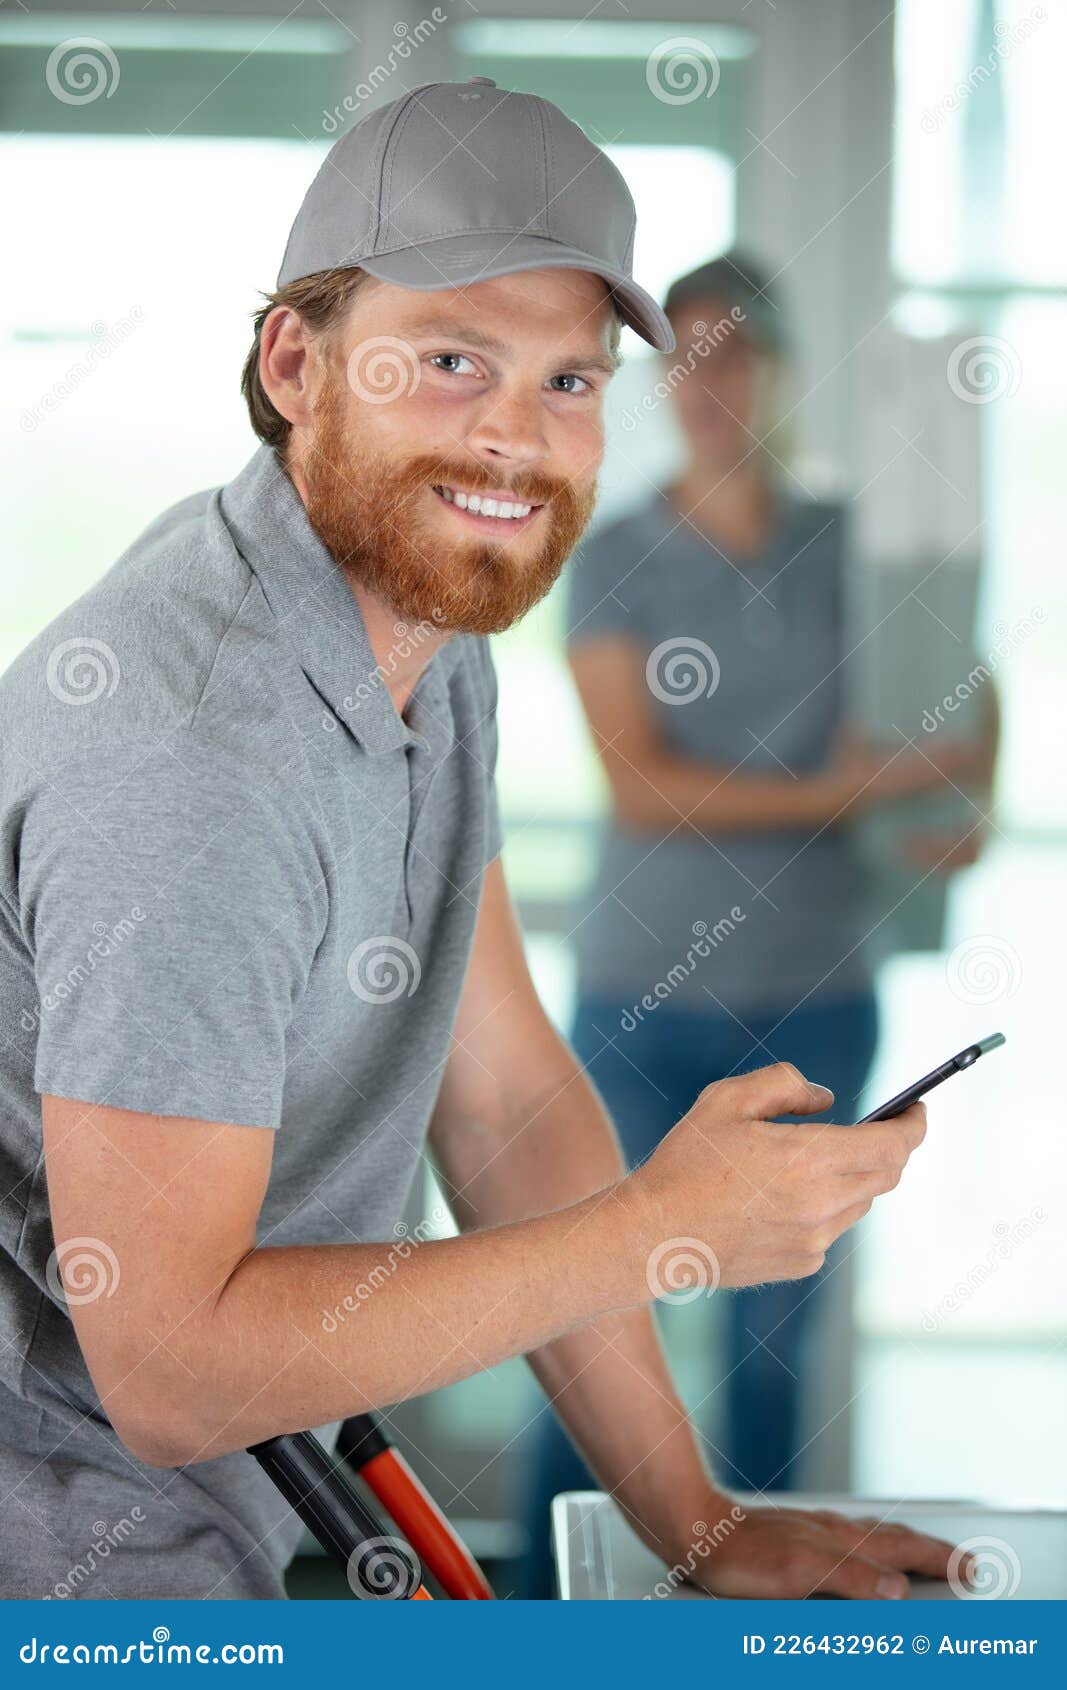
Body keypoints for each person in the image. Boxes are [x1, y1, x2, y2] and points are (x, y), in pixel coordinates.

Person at [0, 89, 975, 1602]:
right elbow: (173, 1369)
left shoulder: (424, 631)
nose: (516, 436)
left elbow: (508, 1094)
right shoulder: (187, 758)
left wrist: (697, 1521)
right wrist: (657, 1231)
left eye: (569, 378)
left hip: (201, 1523)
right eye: (453, 360)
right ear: (294, 364)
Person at [518, 253, 997, 1593]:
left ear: (782, 372)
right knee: (595, 1323)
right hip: (638, 1003)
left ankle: (773, 1623)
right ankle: (550, 1622)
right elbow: (642, 784)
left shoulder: (850, 543)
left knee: (777, 1344)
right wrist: (864, 787)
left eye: (736, 353)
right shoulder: (613, 554)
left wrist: (970, 794)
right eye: (684, 355)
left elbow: (967, 685)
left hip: (813, 995)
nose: (708, 383)